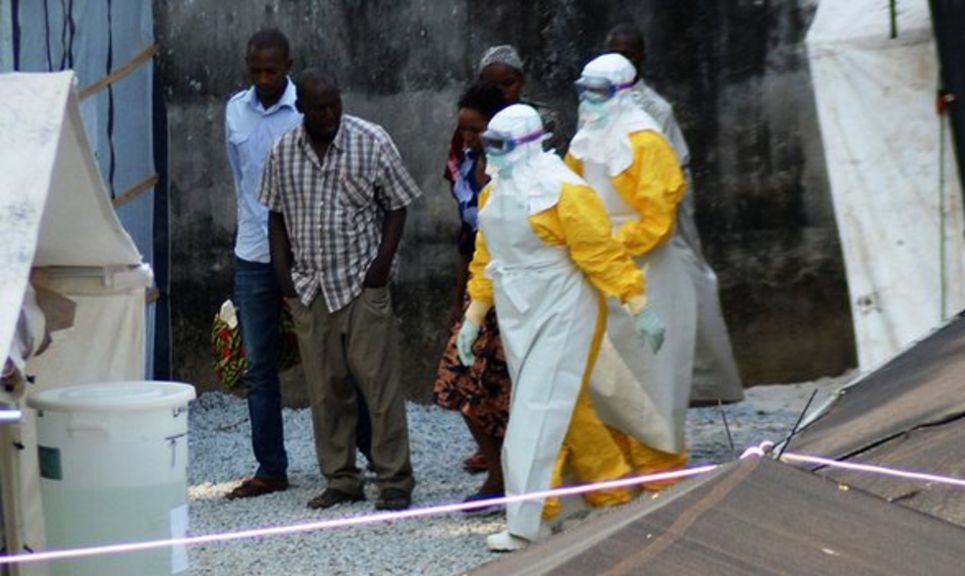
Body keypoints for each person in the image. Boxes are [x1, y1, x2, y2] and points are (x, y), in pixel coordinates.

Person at [458, 104, 665, 551]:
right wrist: (474, 315)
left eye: (500, 145)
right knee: (559, 410)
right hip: (517, 311)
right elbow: (486, 255)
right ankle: (609, 496)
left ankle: (525, 524)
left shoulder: (564, 192)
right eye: (489, 143)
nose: (492, 153)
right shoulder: (494, 194)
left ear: (529, 144)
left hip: (564, 307)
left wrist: (636, 301)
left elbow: (600, 252)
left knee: (534, 414)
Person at [259, 68, 419, 511]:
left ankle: (394, 480)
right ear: (302, 110)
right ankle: (342, 479)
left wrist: (380, 269)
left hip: (362, 283)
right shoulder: (282, 153)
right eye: (320, 107)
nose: (330, 114)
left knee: (380, 389)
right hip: (310, 288)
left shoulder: (372, 140)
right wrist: (283, 277)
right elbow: (274, 216)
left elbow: (399, 204)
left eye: (335, 104)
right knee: (326, 392)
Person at [565, 52, 695, 489]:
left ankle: (661, 476)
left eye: (598, 92)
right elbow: (571, 199)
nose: (589, 101)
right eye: (584, 91)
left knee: (650, 374)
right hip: (599, 274)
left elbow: (658, 220)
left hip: (648, 275)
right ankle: (616, 475)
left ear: (622, 92)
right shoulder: (584, 139)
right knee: (604, 375)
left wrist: (607, 246)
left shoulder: (646, 142)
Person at [605, 24, 744, 405]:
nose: (624, 59)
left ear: (642, 57)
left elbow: (663, 171)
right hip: (620, 210)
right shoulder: (600, 103)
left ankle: (702, 381)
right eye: (616, 52)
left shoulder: (654, 109)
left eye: (630, 52)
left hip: (657, 207)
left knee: (681, 278)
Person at [223, 29, 301, 500]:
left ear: (288, 65)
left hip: (305, 252)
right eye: (256, 71)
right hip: (252, 251)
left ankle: (358, 461)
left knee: (330, 361)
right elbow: (240, 175)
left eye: (272, 70)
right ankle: (271, 467)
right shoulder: (235, 109)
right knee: (259, 367)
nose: (264, 79)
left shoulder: (308, 106)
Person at [433, 82, 512, 509]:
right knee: (459, 382)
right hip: (478, 286)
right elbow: (468, 236)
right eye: (463, 129)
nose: (467, 138)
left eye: (475, 129)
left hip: (515, 291)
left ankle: (518, 478)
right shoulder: (464, 164)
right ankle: (498, 475)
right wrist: (461, 297)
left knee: (507, 390)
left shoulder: (517, 163)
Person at [444, 45, 566, 191]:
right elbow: (458, 175)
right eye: (491, 84)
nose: (500, 90)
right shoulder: (471, 124)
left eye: (508, 83)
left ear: (521, 82)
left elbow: (553, 173)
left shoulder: (541, 122)